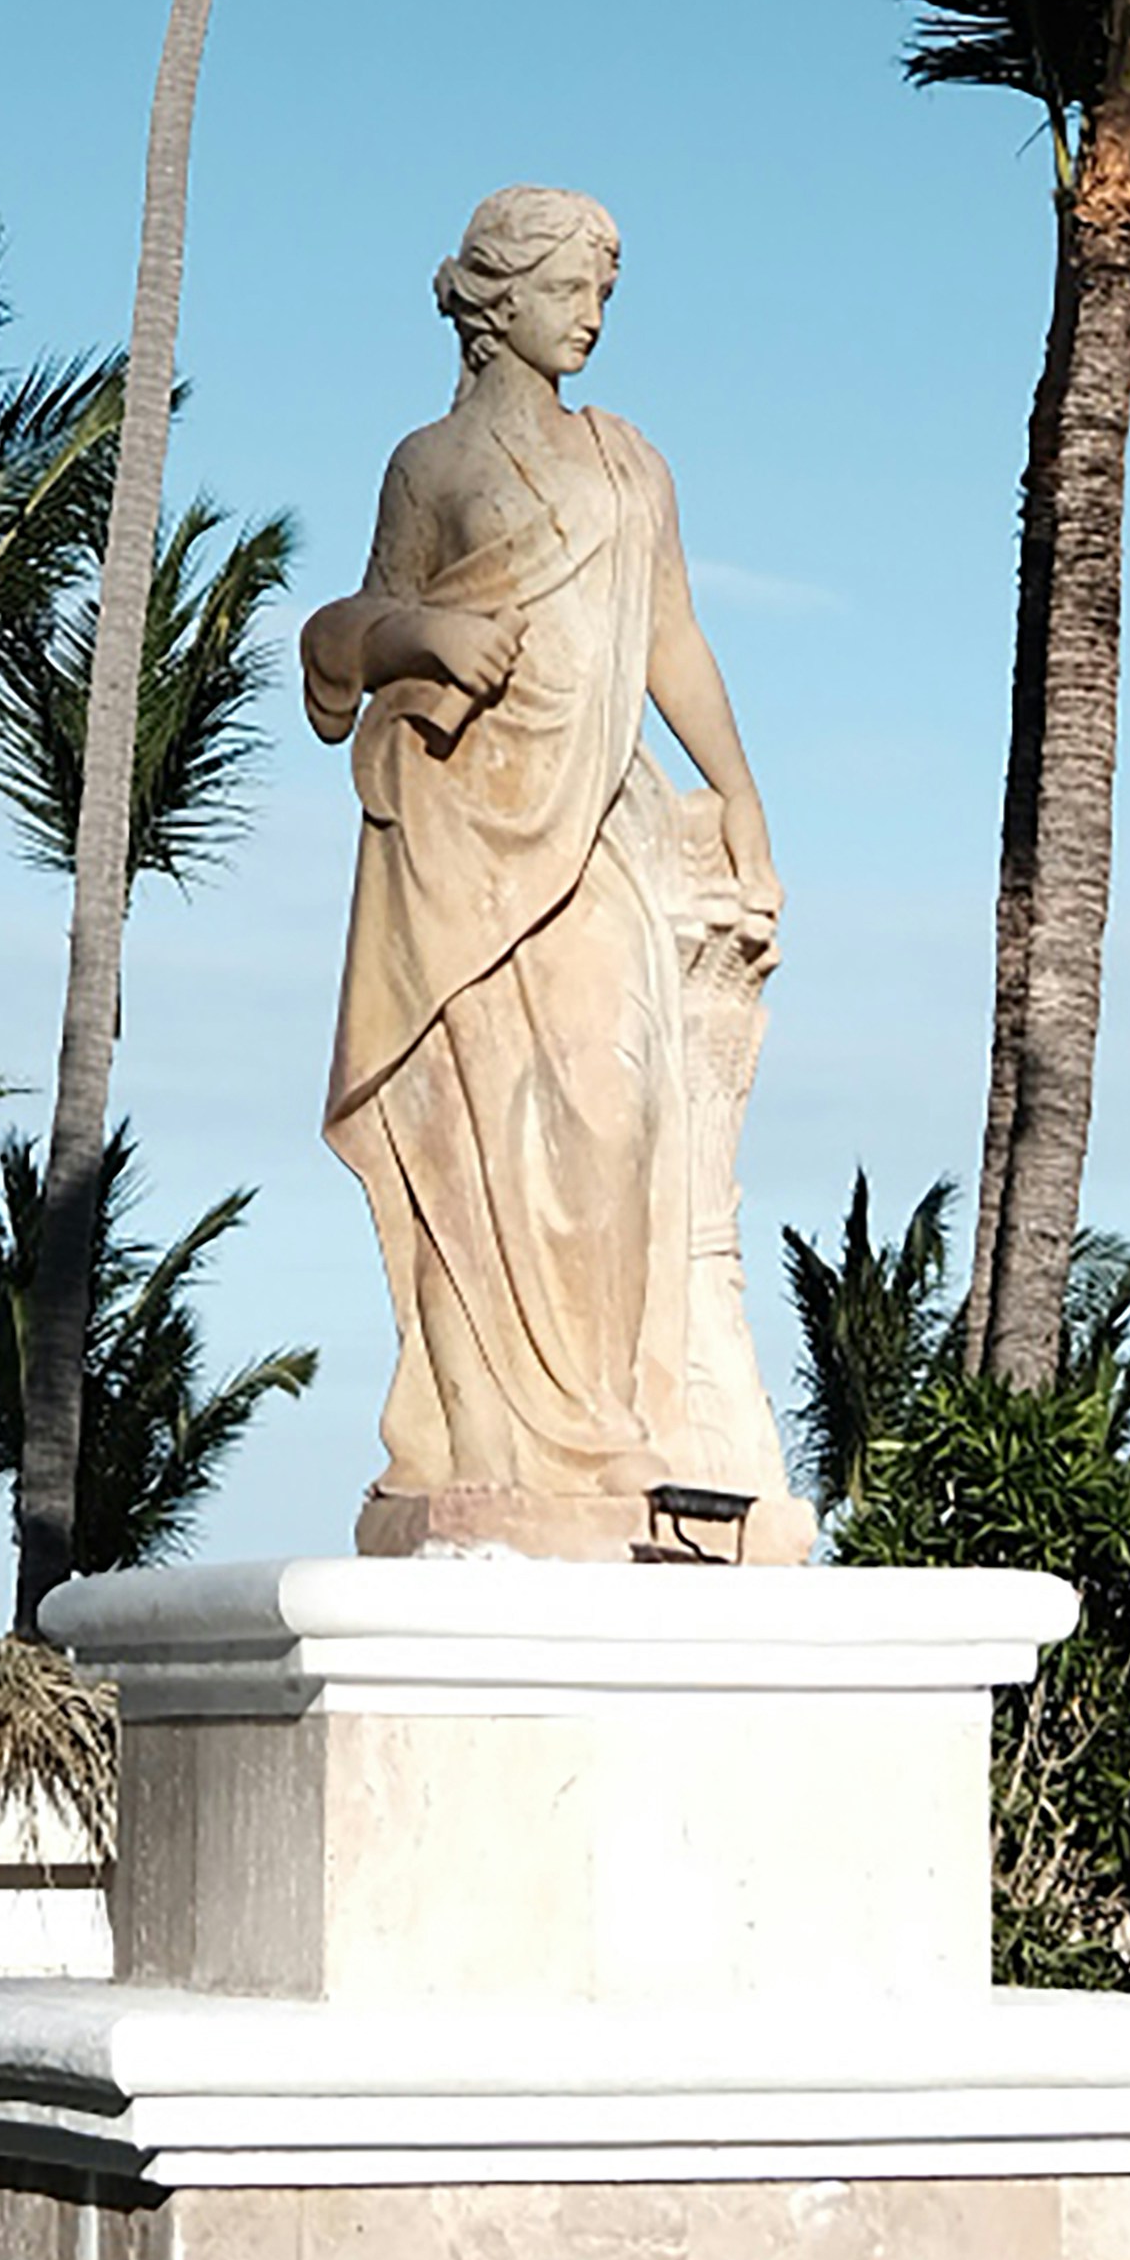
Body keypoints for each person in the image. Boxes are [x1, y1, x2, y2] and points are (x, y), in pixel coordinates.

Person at [299, 183, 800, 1556]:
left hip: (595, 831)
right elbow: (337, 645)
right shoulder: (430, 469)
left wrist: (739, 791)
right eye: (571, 285)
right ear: (496, 302)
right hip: (455, 833)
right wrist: (423, 638)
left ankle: (600, 1422)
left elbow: (673, 644)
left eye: (604, 290)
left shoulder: (631, 465)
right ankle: (489, 1442)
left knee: (611, 1105)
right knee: (477, 1131)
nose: (591, 310)